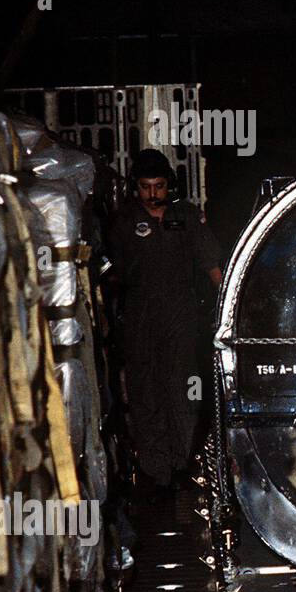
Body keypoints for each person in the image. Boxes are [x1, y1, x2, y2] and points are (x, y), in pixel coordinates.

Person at [107, 149, 221, 495]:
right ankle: (157, 471)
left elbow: (211, 265)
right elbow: (109, 273)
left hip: (181, 316)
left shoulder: (185, 216)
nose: (152, 194)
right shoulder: (123, 223)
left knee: (184, 390)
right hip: (140, 317)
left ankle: (182, 461)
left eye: (158, 186)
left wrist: (229, 304)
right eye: (145, 187)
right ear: (135, 188)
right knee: (146, 392)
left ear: (169, 185)